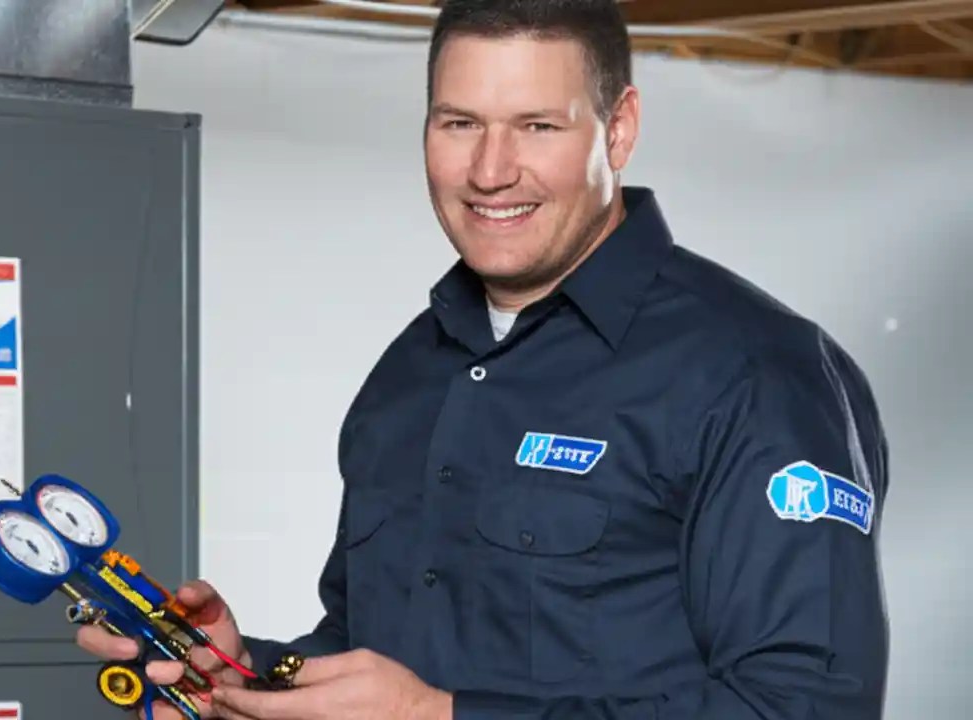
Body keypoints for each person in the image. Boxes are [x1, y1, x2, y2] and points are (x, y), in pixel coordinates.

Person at [78, 0, 891, 717]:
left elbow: (801, 705)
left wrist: (438, 719)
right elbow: (370, 655)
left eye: (538, 126)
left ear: (619, 128)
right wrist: (243, 667)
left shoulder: (756, 372)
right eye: (459, 123)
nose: (490, 171)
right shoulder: (411, 371)